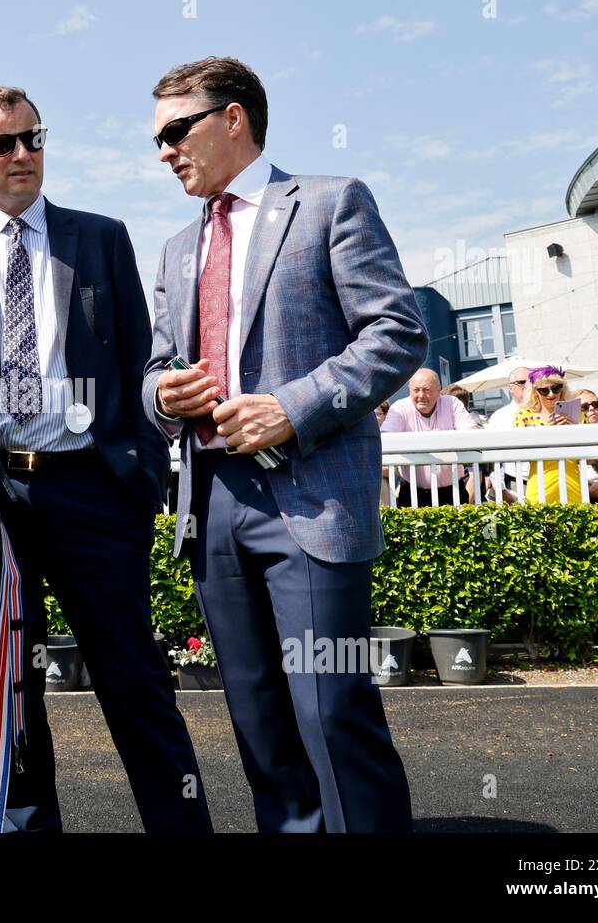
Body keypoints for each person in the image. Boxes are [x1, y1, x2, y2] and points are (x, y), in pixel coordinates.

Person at [0, 84, 210, 834]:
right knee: (10, 692)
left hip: (94, 493)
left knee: (136, 680)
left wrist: (136, 473)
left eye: (33, 138)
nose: (21, 155)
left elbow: (144, 361)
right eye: (2, 144)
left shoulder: (100, 237)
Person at [145, 56, 424, 832]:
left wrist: (291, 408)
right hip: (213, 507)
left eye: (175, 131)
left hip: (310, 493)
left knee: (331, 711)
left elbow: (399, 332)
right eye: (156, 140)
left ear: (233, 119)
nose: (165, 151)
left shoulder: (333, 203)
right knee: (259, 725)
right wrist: (161, 393)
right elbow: (156, 364)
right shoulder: (173, 248)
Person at [380, 368, 479, 506]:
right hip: (411, 492)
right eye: (416, 390)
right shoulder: (400, 408)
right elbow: (385, 439)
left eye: (427, 390)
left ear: (439, 391)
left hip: (452, 491)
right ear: (410, 391)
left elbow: (472, 434)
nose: (421, 395)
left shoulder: (452, 403)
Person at [513, 366, 582, 504]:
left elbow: (590, 456)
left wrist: (573, 431)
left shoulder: (577, 415)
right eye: (544, 390)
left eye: (556, 388)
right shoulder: (524, 415)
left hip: (572, 482)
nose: (551, 394)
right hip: (540, 484)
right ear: (535, 392)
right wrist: (548, 434)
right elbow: (519, 453)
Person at [485, 365, 532, 502]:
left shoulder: (545, 411)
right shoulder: (500, 417)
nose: (528, 385)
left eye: (531, 381)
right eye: (522, 382)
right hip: (516, 482)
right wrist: (501, 489)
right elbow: (493, 456)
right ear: (510, 388)